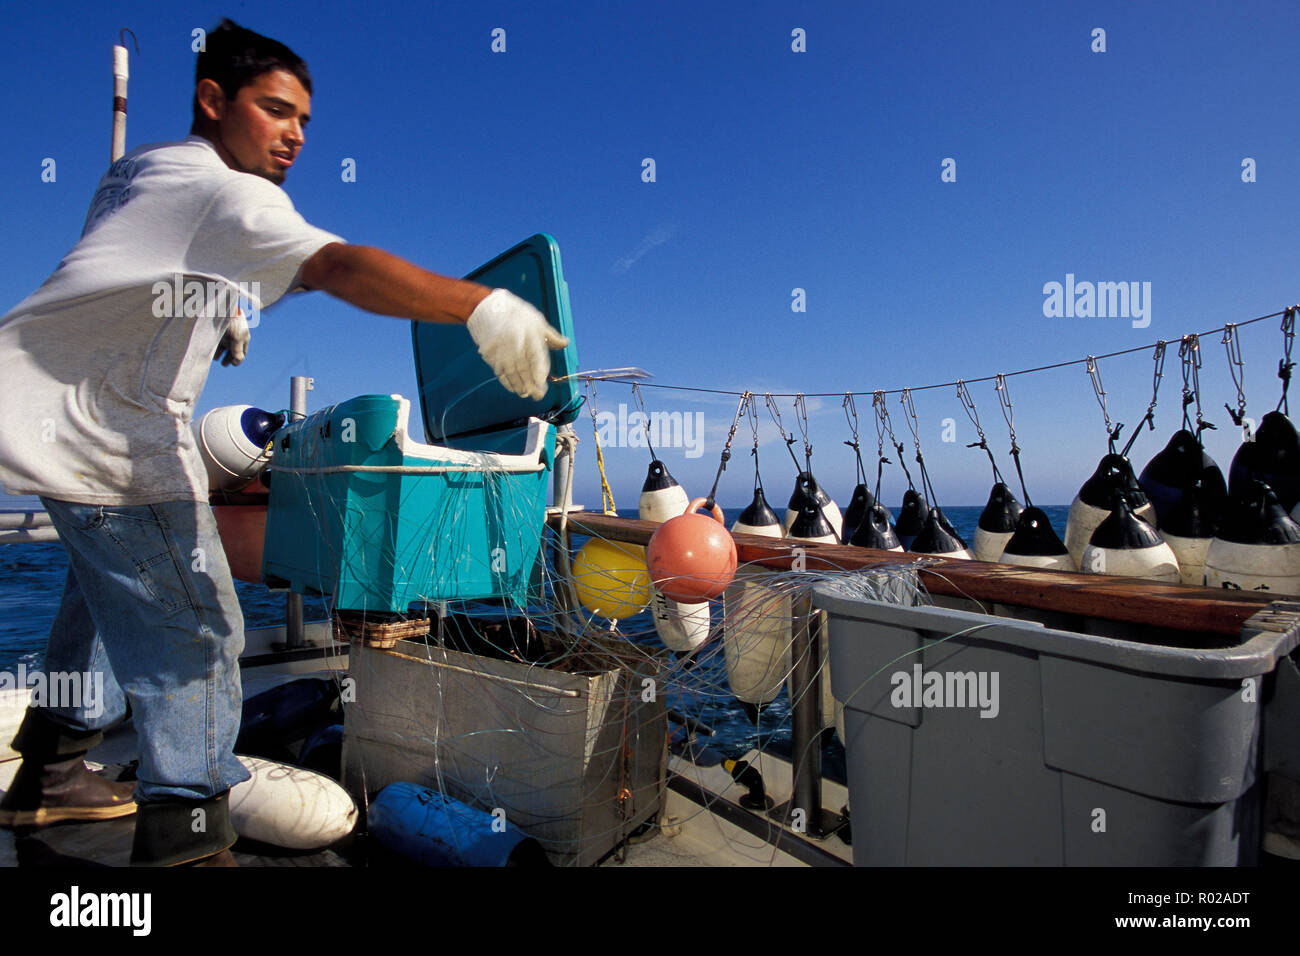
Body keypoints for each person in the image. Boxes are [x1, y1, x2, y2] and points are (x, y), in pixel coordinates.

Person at [0, 19, 566, 866]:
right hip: (107, 435)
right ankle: (188, 837)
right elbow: (337, 266)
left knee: (106, 587)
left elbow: (135, 266)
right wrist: (477, 306)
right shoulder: (233, 195)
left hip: (41, 414)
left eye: (304, 118)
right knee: (197, 626)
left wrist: (221, 306)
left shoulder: (138, 171)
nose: (296, 134)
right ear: (212, 101)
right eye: (274, 111)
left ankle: (51, 769)